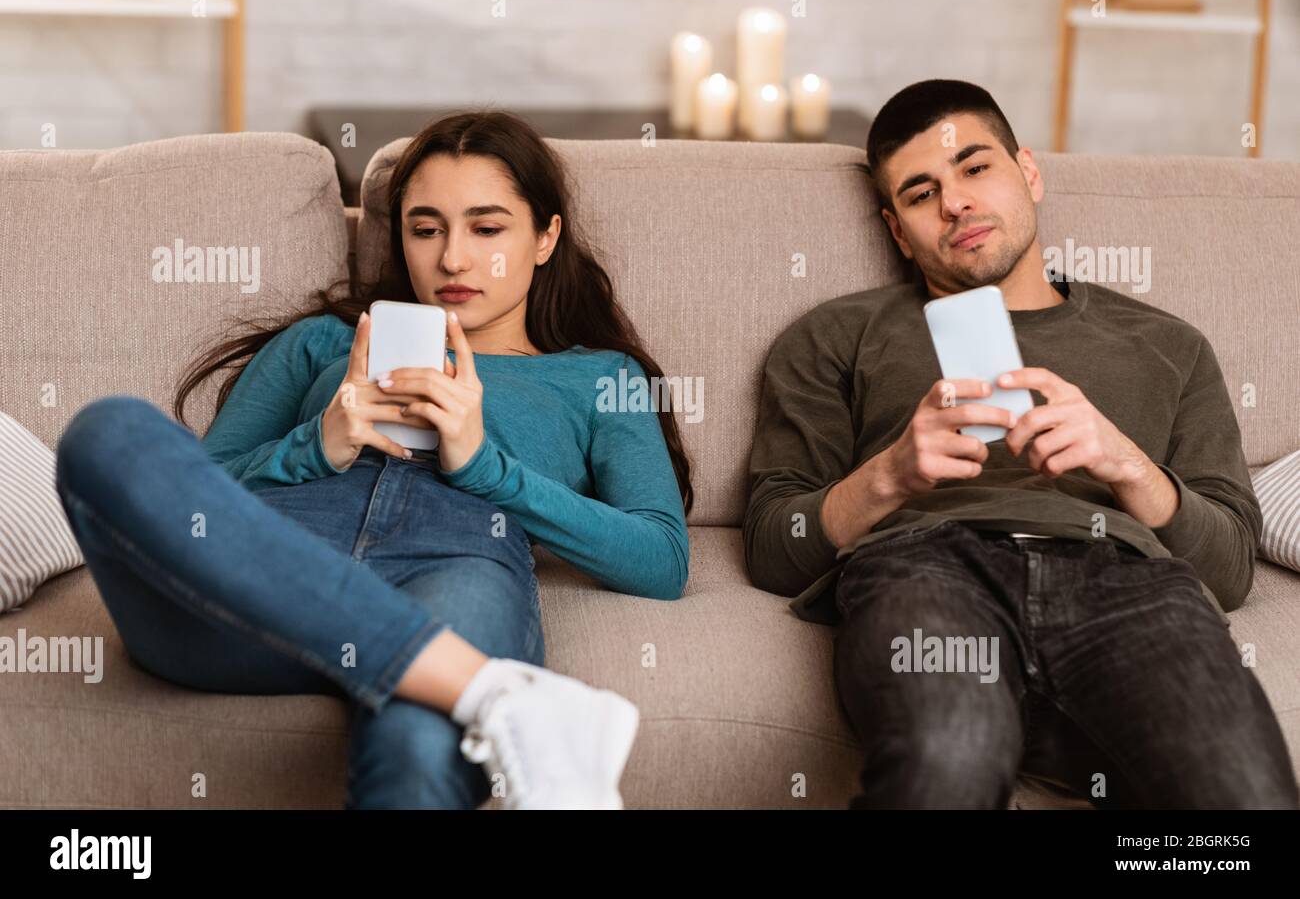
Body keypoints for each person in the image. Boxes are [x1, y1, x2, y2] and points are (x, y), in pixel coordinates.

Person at [56, 110, 692, 810]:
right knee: (106, 431)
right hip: (269, 575)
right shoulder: (320, 343)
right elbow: (195, 503)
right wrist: (315, 445)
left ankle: (448, 680)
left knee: (419, 745)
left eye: (487, 228)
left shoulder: (597, 377)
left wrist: (484, 466)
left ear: (545, 238)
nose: (452, 258)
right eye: (426, 229)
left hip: (453, 563)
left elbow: (659, 557)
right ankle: (490, 692)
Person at [744, 79, 1298, 809]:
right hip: (926, 566)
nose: (955, 204)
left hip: (1125, 580)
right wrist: (890, 476)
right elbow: (772, 548)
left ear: (1028, 172)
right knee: (947, 764)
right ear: (896, 227)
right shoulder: (835, 335)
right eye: (920, 194)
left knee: (1247, 802)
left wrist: (1125, 464)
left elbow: (1228, 568)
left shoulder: (1168, 345)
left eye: (976, 169)